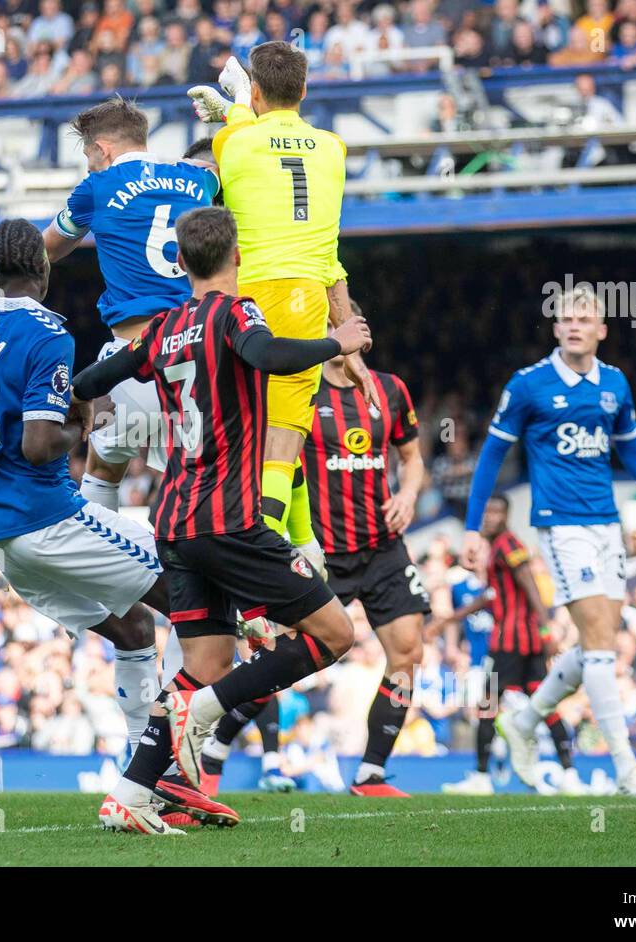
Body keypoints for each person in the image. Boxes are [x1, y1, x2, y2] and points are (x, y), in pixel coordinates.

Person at [0, 219, 236, 830]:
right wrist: (90, 419)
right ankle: (161, 777)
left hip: (3, 543)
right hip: (54, 522)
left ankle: (142, 782)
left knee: (132, 633)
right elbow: (42, 445)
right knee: (195, 592)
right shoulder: (47, 332)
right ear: (42, 271)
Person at [72, 206, 372, 833]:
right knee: (334, 635)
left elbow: (93, 379)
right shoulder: (235, 313)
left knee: (203, 665)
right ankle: (204, 711)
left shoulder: (161, 328)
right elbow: (266, 354)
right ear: (238, 259)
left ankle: (130, 792)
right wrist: (334, 344)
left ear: (179, 264)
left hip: (175, 522)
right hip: (229, 520)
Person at [462, 285, 636, 798]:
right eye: (566, 317)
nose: (574, 325)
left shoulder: (614, 383)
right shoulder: (529, 385)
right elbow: (490, 457)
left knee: (600, 647)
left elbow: (632, 452)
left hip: (606, 523)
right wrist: (471, 528)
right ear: (556, 328)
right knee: (599, 649)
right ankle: (627, 769)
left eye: (584, 318)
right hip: (560, 525)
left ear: (601, 329)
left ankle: (524, 723)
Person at [200, 302, 431, 798]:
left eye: (348, 326)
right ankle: (218, 738)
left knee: (409, 650)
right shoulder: (299, 391)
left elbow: (412, 457)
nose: (341, 334)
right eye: (332, 326)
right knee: (283, 658)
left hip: (383, 547)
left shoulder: (390, 391)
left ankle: (370, 773)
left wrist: (409, 493)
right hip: (321, 551)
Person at [187, 42, 371, 579]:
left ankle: (298, 542)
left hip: (238, 299)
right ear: (306, 91)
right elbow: (329, 253)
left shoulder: (232, 142)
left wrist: (236, 105)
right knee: (284, 436)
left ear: (259, 92)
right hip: (304, 296)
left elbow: (243, 132)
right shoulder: (333, 148)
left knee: (244, 430)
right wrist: (346, 332)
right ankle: (268, 561)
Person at [42, 96, 219, 514]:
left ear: (102, 148)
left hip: (130, 365)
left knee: (102, 472)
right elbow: (214, 170)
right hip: (195, 356)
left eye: (88, 154)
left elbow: (46, 249)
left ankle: (98, 570)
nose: (88, 165)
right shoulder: (200, 178)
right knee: (200, 477)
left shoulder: (95, 188)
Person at [436, 495, 585, 796]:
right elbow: (493, 596)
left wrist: (546, 629)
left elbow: (530, 585)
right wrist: (449, 618)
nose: (490, 517)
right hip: (524, 642)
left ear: (506, 516)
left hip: (509, 643)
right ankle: (570, 774)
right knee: (545, 703)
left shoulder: (508, 545)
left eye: (497, 512)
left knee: (488, 706)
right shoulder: (496, 549)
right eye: (487, 511)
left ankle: (480, 777)